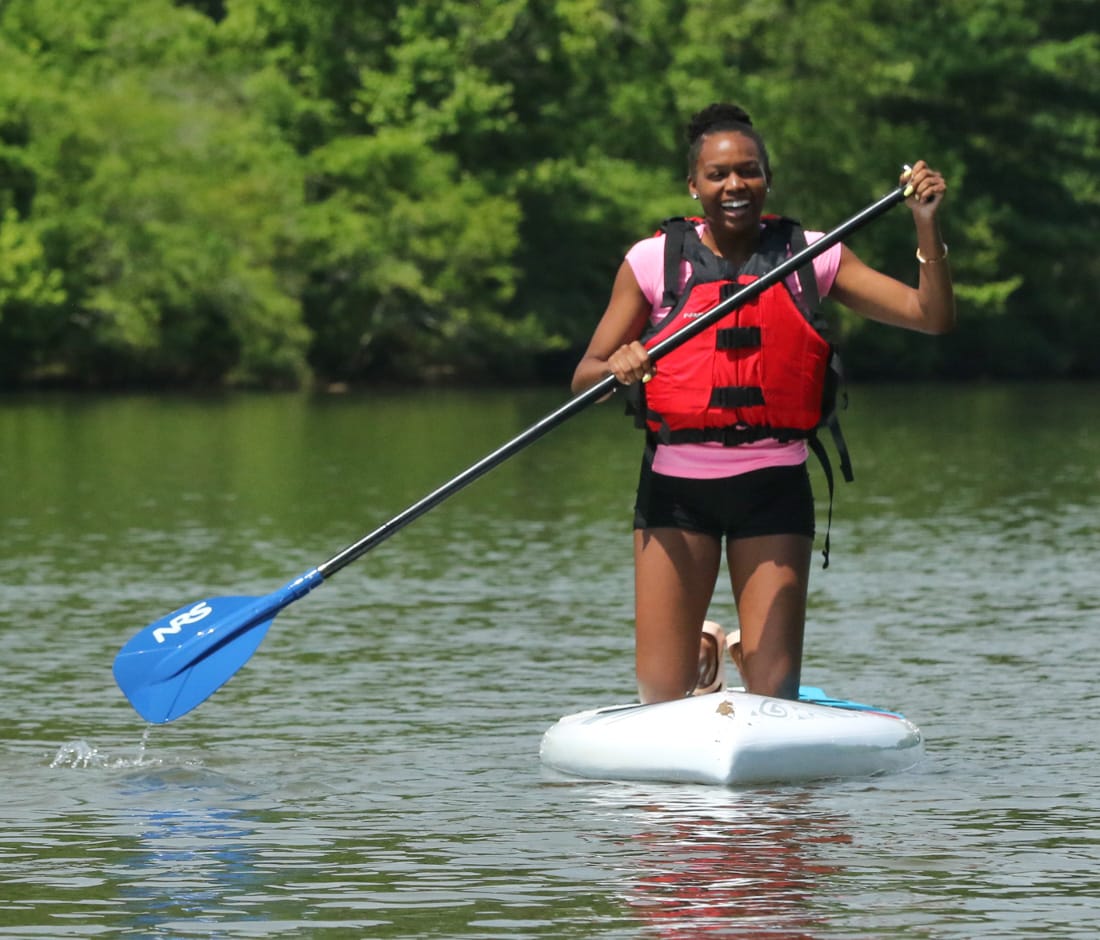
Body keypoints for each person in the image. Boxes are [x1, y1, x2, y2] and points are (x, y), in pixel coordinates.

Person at [571, 103, 955, 705]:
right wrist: (618, 365)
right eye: (718, 174)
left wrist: (925, 223)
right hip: (677, 494)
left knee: (776, 693)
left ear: (768, 179)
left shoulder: (811, 255)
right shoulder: (652, 262)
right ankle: (703, 650)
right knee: (659, 695)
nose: (735, 185)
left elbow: (930, 317)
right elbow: (584, 377)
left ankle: (745, 652)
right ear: (693, 185)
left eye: (748, 171)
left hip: (773, 487)